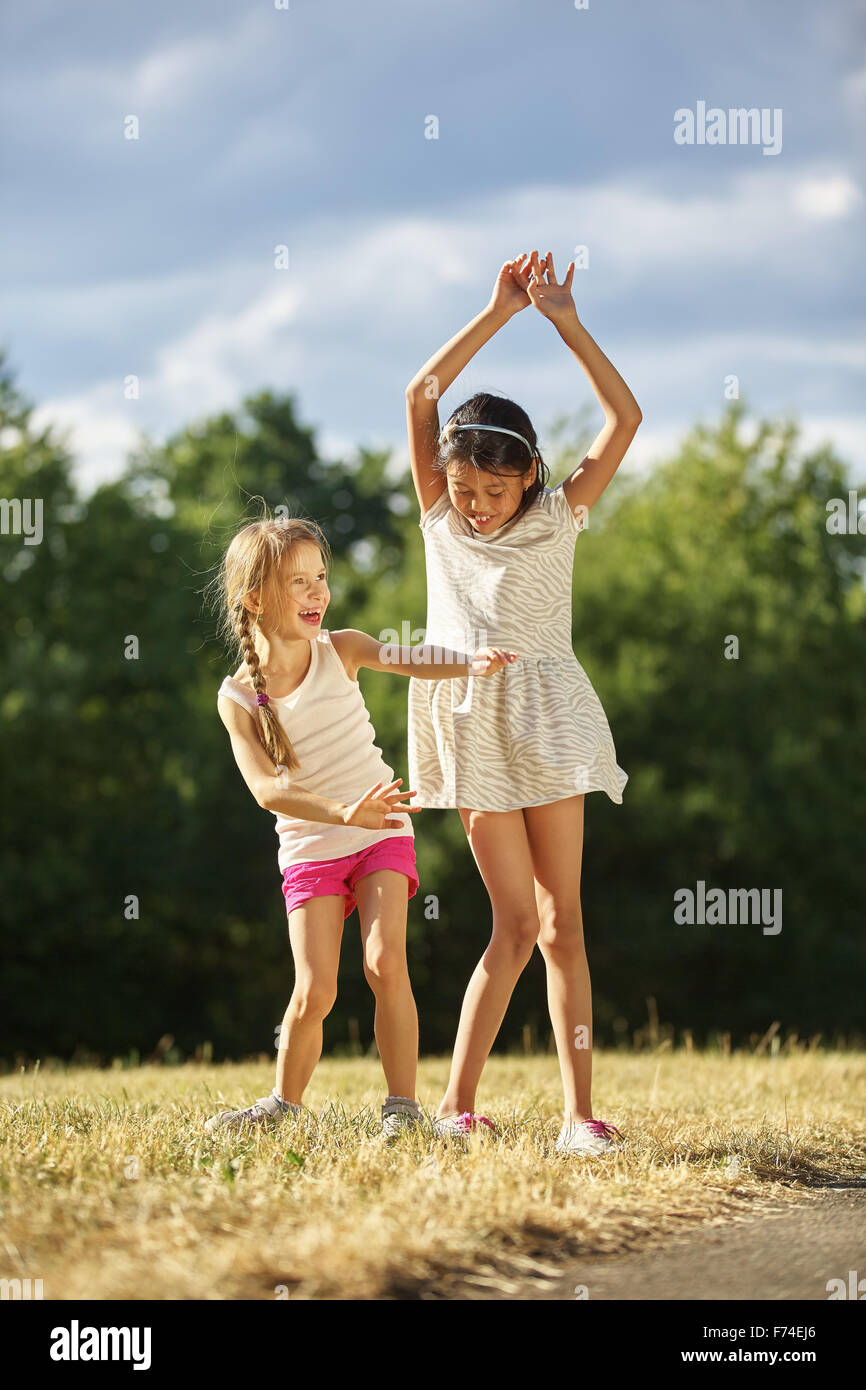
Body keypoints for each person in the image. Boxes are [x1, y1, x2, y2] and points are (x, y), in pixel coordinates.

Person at [405, 249, 642, 1155]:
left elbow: (625, 417)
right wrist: (497, 309)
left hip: (551, 717)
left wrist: (563, 320)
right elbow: (424, 393)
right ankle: (456, 1107)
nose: (475, 506)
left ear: (531, 473)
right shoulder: (439, 512)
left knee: (561, 922)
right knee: (508, 923)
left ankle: (581, 1117)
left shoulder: (561, 511)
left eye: (494, 491)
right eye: (464, 489)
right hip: (471, 720)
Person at [204, 511, 515, 1140]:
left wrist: (468, 663)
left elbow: (407, 658)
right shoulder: (237, 697)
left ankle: (402, 1107)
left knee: (383, 963)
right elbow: (270, 790)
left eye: (321, 577)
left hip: (380, 831)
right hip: (312, 844)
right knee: (315, 991)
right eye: (298, 582)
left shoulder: (340, 648)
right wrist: (342, 812)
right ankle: (281, 1107)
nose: (318, 592)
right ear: (254, 596)